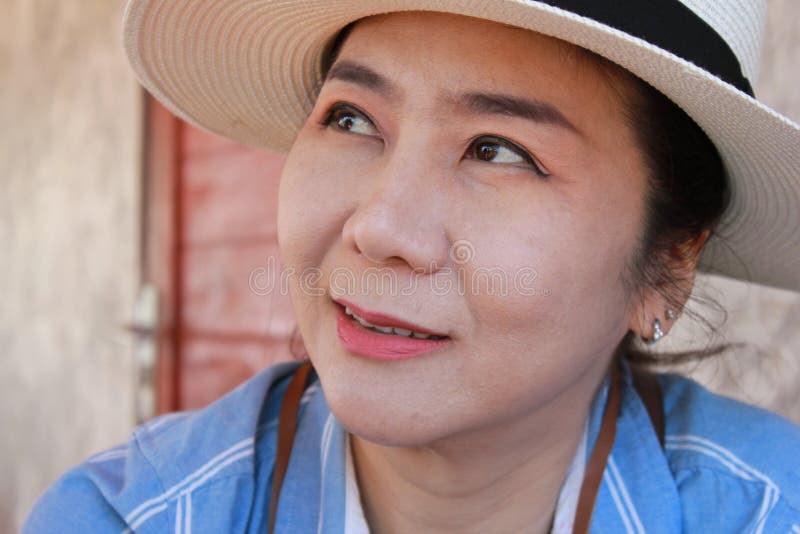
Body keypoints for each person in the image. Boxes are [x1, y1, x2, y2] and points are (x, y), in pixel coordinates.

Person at [24, 1, 800, 532]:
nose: (379, 228)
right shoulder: (135, 517)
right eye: (351, 118)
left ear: (666, 263)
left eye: (500, 151)